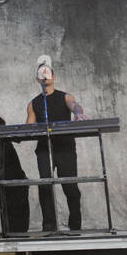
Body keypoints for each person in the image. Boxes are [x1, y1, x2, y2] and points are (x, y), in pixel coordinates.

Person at [26, 64, 88, 233]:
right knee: (45, 184)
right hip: (44, 148)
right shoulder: (34, 103)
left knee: (70, 186)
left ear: (53, 77)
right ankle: (49, 225)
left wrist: (78, 113)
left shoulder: (64, 96)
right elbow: (28, 125)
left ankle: (75, 224)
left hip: (65, 147)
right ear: (38, 79)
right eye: (41, 74)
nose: (45, 76)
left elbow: (74, 105)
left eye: (48, 73)